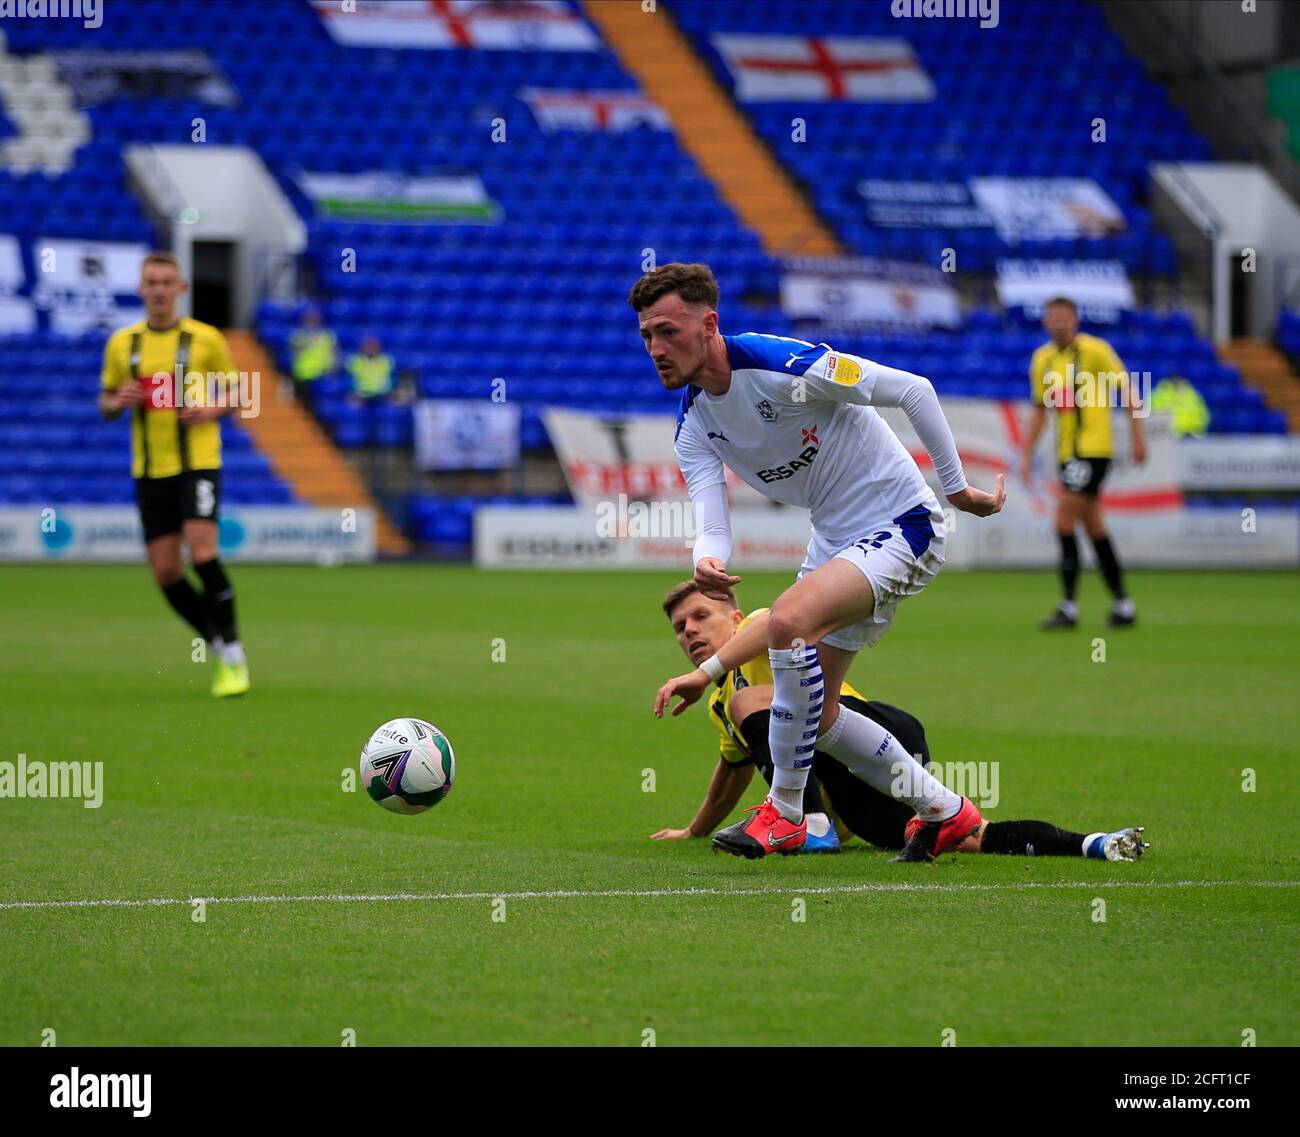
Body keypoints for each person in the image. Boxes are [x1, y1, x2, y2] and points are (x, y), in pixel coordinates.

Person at [630, 262, 1006, 864]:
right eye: (646, 335)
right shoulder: (694, 426)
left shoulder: (786, 365)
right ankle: (945, 811)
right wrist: (707, 561)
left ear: (710, 324)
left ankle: (784, 813)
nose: (655, 348)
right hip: (837, 544)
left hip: (902, 523)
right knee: (820, 715)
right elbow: (712, 521)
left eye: (668, 332)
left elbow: (915, 390)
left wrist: (956, 488)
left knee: (784, 624)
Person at [652, 581, 1148, 862]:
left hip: (873, 734)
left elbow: (771, 624)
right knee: (959, 834)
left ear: (734, 618)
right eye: (680, 628)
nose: (690, 631)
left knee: (759, 703)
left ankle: (808, 824)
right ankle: (1094, 844)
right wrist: (695, 830)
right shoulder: (721, 702)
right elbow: (732, 769)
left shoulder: (763, 629)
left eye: (700, 616)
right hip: (856, 787)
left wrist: (703, 671)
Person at [97, 251, 250, 697]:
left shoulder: (204, 339)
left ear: (181, 288)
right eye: (152, 282)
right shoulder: (123, 345)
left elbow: (242, 391)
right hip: (150, 469)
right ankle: (218, 641)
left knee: (202, 552)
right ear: (141, 289)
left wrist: (212, 408)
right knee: (165, 572)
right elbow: (105, 403)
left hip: (198, 463)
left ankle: (234, 654)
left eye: (168, 282)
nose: (160, 290)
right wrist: (117, 400)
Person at [1020, 297, 1147, 630]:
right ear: (1046, 323)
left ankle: (1069, 608)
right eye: (1053, 318)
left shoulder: (1095, 351)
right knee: (1094, 528)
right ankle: (1124, 606)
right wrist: (1026, 452)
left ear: (1075, 320)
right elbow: (1039, 410)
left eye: (1065, 318)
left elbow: (1129, 391)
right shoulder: (1042, 359)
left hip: (1093, 451)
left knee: (1063, 520)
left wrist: (1138, 438)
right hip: (1067, 455)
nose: (1059, 323)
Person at [289, 306, 338, 393]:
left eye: (315, 318)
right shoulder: (298, 335)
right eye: (310, 317)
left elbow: (334, 354)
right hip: (303, 375)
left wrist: (331, 370)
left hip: (322, 375)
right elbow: (293, 352)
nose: (313, 320)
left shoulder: (327, 335)